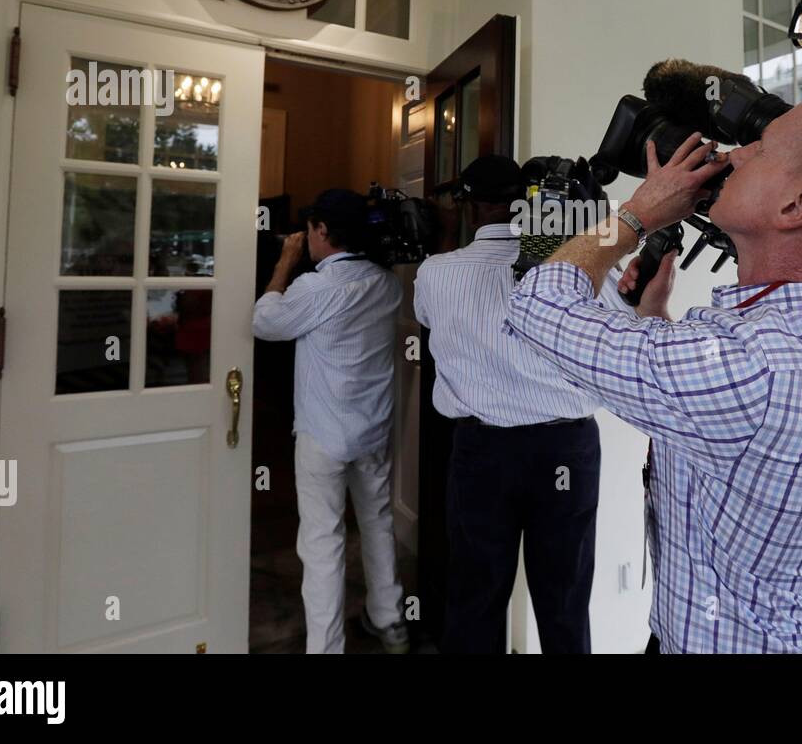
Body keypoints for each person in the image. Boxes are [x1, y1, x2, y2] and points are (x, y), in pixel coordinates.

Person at [505, 81, 802, 653]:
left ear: (800, 205)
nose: (735, 152)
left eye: (762, 147)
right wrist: (655, 319)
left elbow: (537, 303)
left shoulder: (751, 369)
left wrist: (636, 213)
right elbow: (720, 433)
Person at [414, 155, 630, 653]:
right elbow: (629, 315)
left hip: (480, 450)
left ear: (470, 207)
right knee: (565, 599)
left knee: (474, 595)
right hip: (565, 450)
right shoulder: (574, 269)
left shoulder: (437, 272)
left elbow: (424, 315)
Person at [252, 188, 409, 654]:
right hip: (372, 428)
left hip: (323, 433)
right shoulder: (387, 283)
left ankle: (327, 647)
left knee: (322, 540)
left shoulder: (316, 287)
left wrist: (285, 261)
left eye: (310, 230)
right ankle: (390, 619)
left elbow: (266, 322)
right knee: (377, 520)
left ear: (322, 231)